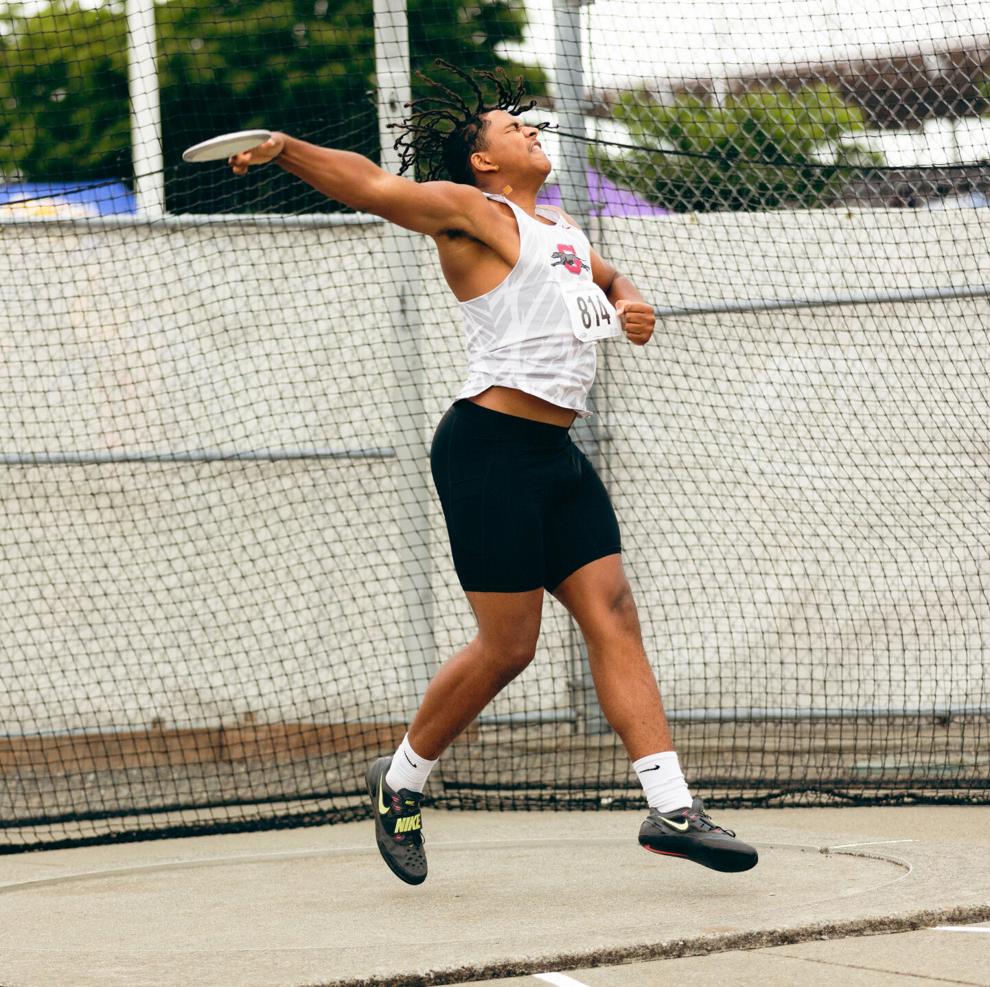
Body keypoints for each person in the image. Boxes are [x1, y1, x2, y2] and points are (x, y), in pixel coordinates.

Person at [229, 61, 757, 885]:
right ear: (483, 161)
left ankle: (672, 807)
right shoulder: (469, 212)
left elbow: (607, 280)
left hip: (555, 457)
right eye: (514, 128)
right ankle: (400, 780)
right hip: (488, 450)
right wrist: (285, 148)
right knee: (509, 647)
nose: (530, 131)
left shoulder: (568, 233)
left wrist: (632, 303)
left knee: (614, 611)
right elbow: (372, 186)